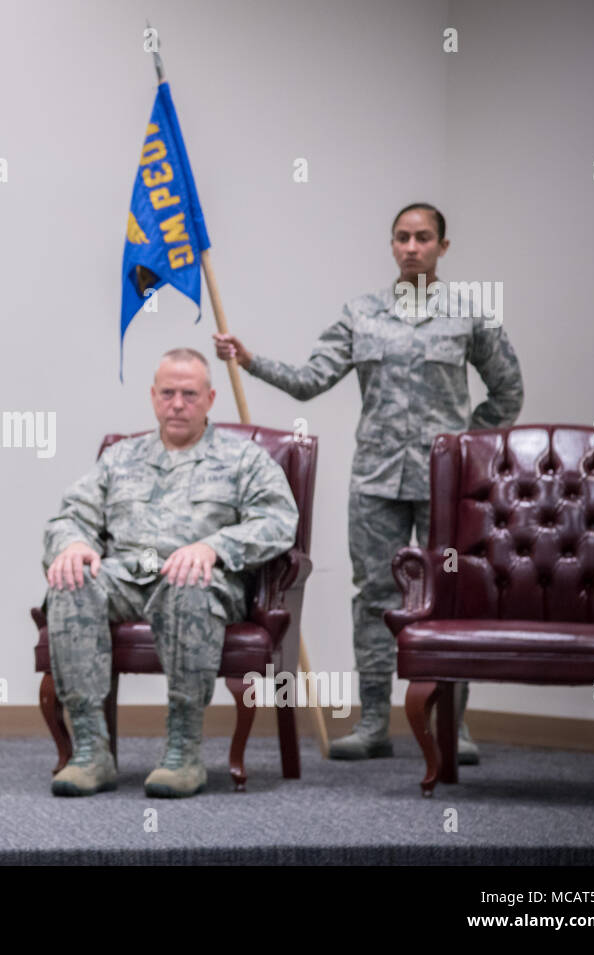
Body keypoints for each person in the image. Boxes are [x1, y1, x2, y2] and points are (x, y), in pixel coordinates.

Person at [214, 203, 524, 762]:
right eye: (402, 237)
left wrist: (466, 447)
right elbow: (312, 380)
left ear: (443, 248)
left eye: (423, 238)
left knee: (449, 597)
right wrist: (251, 359)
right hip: (376, 482)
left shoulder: (470, 317)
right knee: (375, 598)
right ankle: (374, 722)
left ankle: (454, 726)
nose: (411, 247)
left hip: (444, 486)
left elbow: (508, 391)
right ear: (391, 245)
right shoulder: (361, 315)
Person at [41, 348, 298, 798]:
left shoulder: (245, 460)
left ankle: (183, 751)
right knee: (72, 582)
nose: (177, 403)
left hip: (205, 583)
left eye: (189, 394)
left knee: (187, 584)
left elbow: (279, 523)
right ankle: (90, 751)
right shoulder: (121, 457)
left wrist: (213, 546)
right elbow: (69, 515)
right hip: (128, 575)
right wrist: (74, 544)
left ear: (211, 398)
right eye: (167, 393)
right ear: (153, 397)